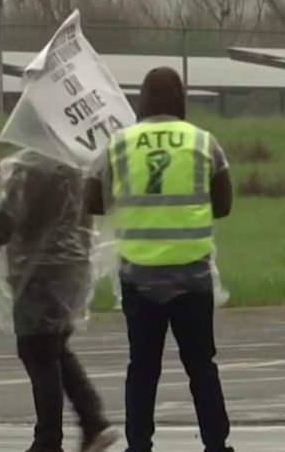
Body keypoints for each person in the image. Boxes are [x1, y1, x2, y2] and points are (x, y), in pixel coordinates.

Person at [84, 67, 234, 452]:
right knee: (202, 367)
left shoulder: (119, 144)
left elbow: (92, 201)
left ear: (142, 100)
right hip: (192, 274)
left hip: (139, 275)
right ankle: (216, 444)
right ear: (180, 99)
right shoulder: (204, 142)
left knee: (143, 369)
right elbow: (223, 205)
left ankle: (139, 445)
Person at [0, 149, 117, 452]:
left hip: (40, 272)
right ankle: (92, 422)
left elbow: (6, 217)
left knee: (38, 351)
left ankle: (51, 438)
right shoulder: (78, 165)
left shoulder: (33, 166)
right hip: (72, 270)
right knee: (53, 348)